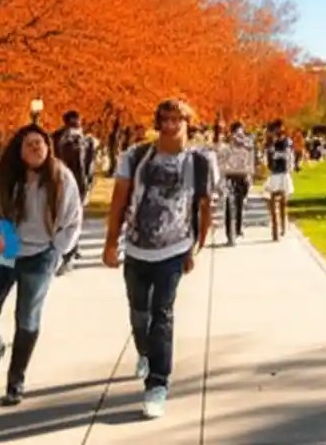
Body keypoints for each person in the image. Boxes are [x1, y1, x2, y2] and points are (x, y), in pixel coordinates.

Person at [102, 99, 214, 419]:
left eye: (176, 119)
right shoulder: (135, 156)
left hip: (174, 248)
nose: (169, 125)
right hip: (137, 247)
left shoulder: (200, 161)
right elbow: (119, 200)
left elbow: (205, 208)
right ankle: (145, 352)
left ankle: (157, 384)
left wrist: (195, 249)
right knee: (139, 313)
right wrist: (112, 243)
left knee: (162, 313)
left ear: (187, 123)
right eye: (164, 119)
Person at [0, 124, 83, 406]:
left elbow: (73, 219)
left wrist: (57, 252)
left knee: (27, 318)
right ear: (19, 150)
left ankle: (16, 381)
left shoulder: (61, 178)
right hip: (2, 251)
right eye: (29, 144)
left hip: (40, 254)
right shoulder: (0, 177)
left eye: (40, 143)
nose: (36, 148)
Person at [52, 110, 97, 274]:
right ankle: (66, 253)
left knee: (74, 219)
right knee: (63, 219)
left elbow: (89, 166)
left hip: (79, 185)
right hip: (61, 184)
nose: (75, 124)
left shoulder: (87, 141)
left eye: (77, 121)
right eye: (72, 121)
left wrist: (89, 185)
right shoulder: (57, 139)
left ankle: (71, 250)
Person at [221, 122, 254, 246]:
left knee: (239, 204)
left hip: (242, 178)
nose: (238, 136)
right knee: (230, 204)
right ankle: (230, 235)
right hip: (230, 178)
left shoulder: (246, 146)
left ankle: (238, 229)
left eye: (241, 133)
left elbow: (250, 157)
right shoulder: (227, 147)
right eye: (236, 133)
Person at [263, 120, 294, 241]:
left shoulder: (286, 142)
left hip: (283, 174)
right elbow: (268, 159)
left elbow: (287, 156)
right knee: (272, 204)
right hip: (274, 174)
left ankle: (282, 226)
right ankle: (275, 229)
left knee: (282, 202)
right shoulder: (270, 143)